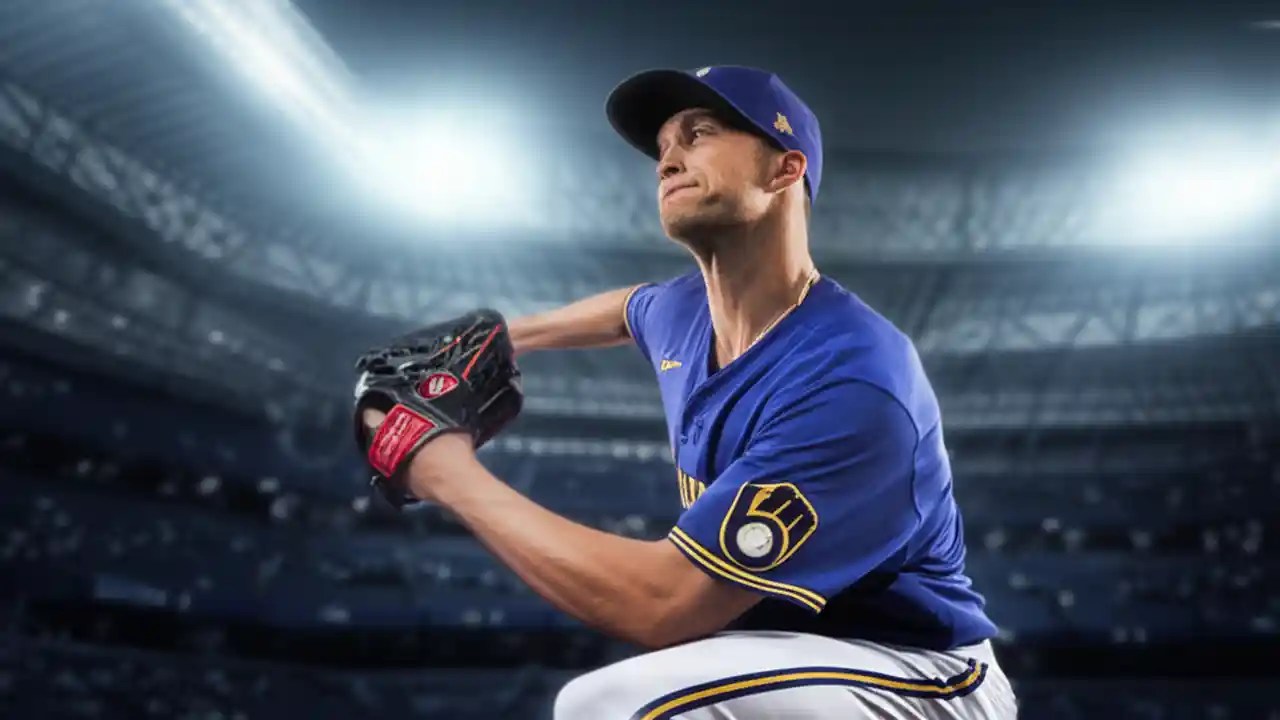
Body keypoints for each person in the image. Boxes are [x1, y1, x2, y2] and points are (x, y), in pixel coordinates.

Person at [387, 65, 1018, 718]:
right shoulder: (686, 310)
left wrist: (442, 470)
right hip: (793, 647)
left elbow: (659, 606)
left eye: (699, 133)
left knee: (614, 706)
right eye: (661, 148)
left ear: (784, 169)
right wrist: (506, 336)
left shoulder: (856, 379)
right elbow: (627, 309)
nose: (668, 161)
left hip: (920, 671)